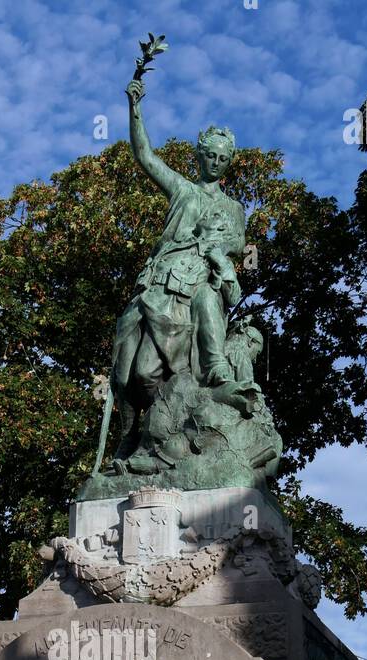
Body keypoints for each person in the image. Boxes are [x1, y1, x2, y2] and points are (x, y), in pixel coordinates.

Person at [111, 74, 246, 458]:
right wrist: (135, 109)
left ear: (228, 162)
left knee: (146, 372)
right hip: (154, 285)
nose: (217, 163)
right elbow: (145, 156)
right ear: (199, 155)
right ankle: (135, 434)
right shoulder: (182, 189)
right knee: (125, 372)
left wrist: (210, 245)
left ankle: (156, 437)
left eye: (224, 158)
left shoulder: (233, 208)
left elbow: (234, 244)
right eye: (211, 156)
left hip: (190, 289)